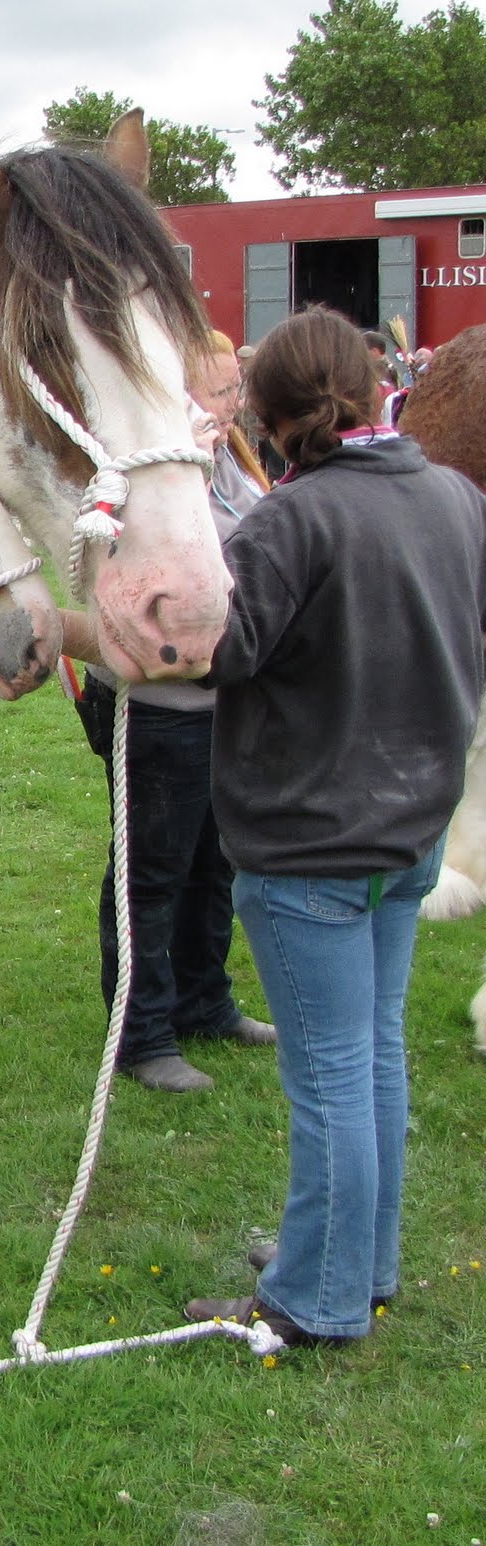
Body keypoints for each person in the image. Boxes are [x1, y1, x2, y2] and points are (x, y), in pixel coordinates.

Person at [183, 306, 486, 1347]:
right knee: (372, 1056)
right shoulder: (453, 496)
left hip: (311, 845)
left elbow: (211, 650)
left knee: (333, 1079)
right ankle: (358, 1259)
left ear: (265, 418)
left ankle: (317, 1298)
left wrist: (72, 625)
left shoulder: (289, 521)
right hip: (409, 830)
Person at [69, 331, 276, 1092]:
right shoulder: (143, 477)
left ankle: (204, 1000)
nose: (228, 408)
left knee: (213, 862)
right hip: (157, 704)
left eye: (232, 391)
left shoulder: (225, 465)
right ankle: (142, 1032)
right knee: (151, 872)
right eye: (213, 393)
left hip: (224, 699)